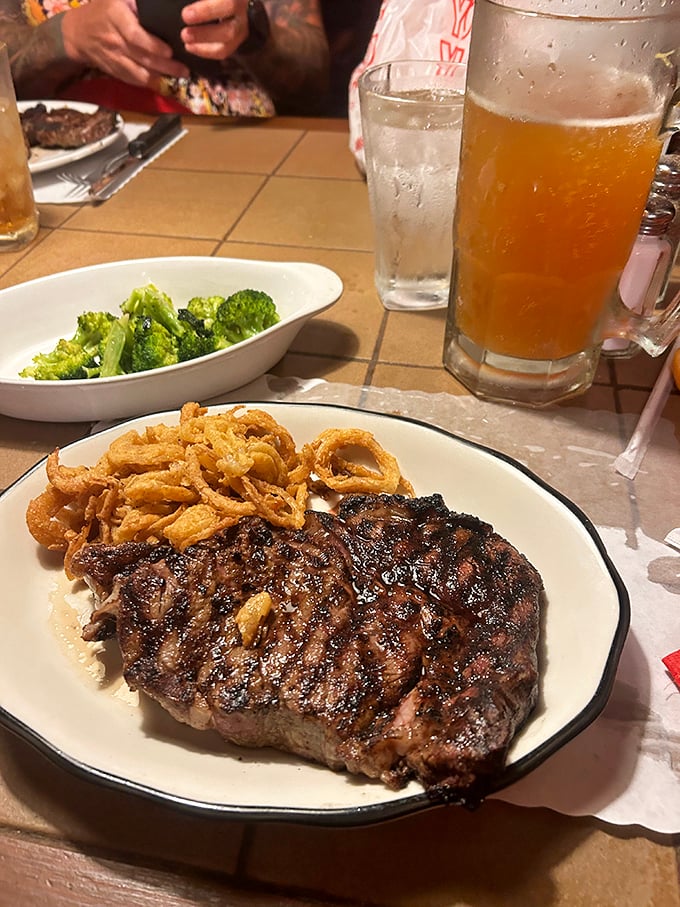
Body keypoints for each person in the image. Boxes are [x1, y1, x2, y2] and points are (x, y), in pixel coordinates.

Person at [0, 0, 330, 117]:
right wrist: (66, 36)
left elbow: (314, 82)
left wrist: (253, 28)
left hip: (232, 146)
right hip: (61, 163)